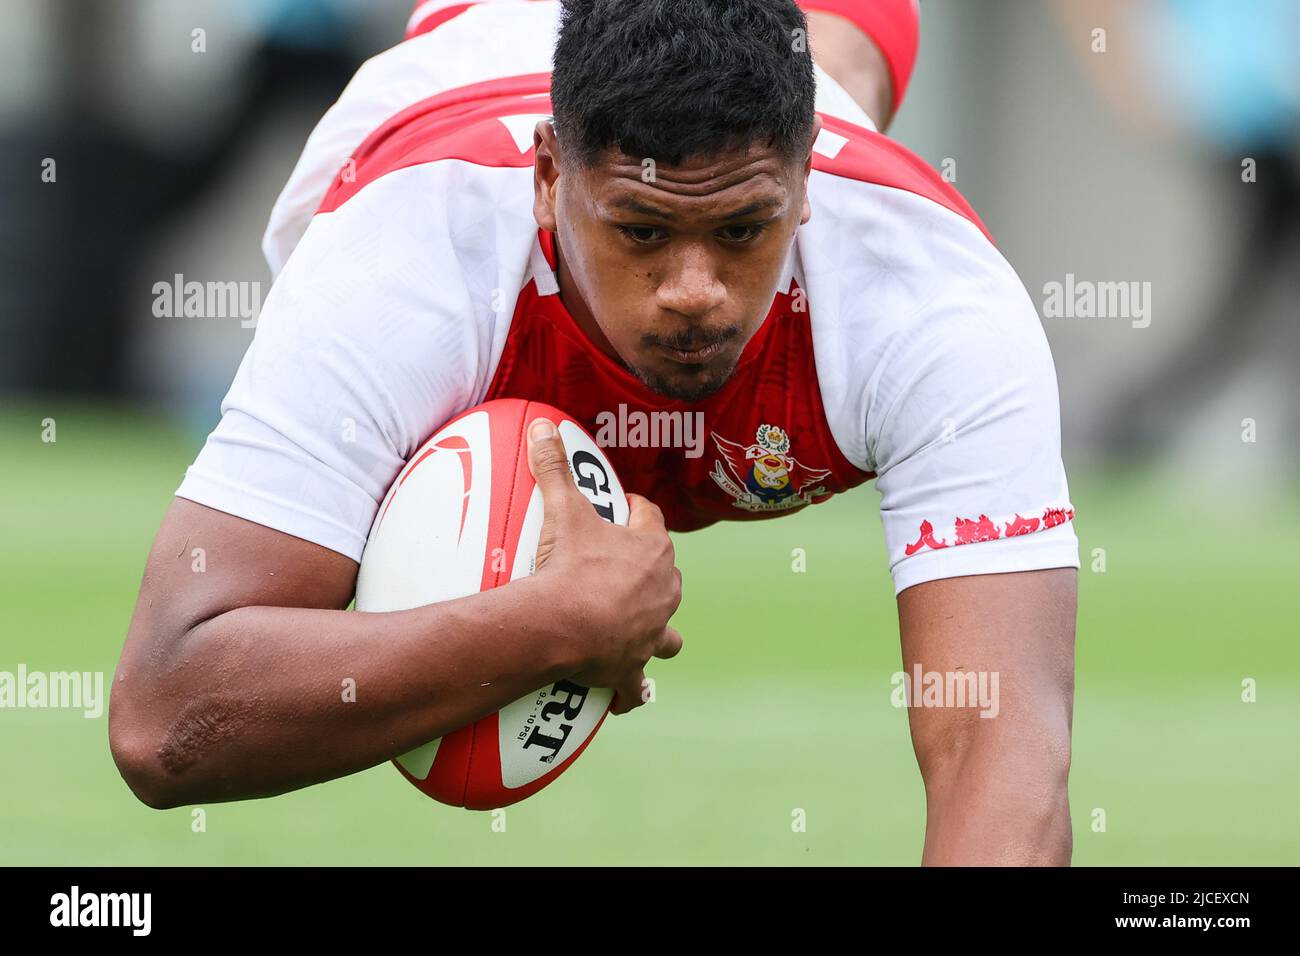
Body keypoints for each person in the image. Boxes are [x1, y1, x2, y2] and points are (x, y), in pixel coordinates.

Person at [111, 0, 1079, 866]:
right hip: (477, 47)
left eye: (743, 230)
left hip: (824, 109)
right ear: (545, 180)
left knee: (843, 46)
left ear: (803, 183)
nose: (695, 292)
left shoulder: (935, 303)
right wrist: (552, 621)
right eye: (642, 231)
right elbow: (162, 718)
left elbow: (999, 762)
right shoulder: (406, 268)